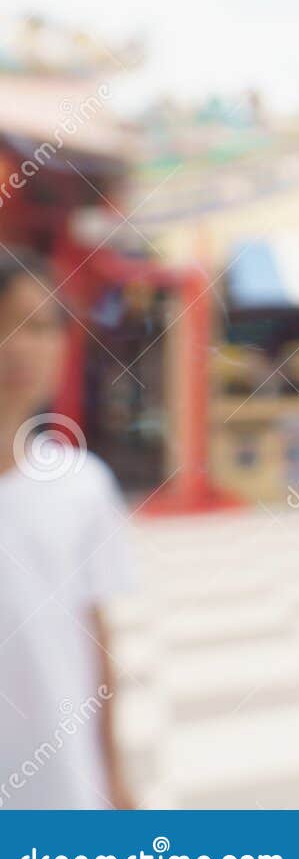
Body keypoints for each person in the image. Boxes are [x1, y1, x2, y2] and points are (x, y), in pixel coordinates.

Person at [0, 248, 135, 808]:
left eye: (41, 326)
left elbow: (94, 637)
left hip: (63, 791)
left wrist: (114, 778)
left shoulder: (82, 484)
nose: (23, 346)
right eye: (6, 324)